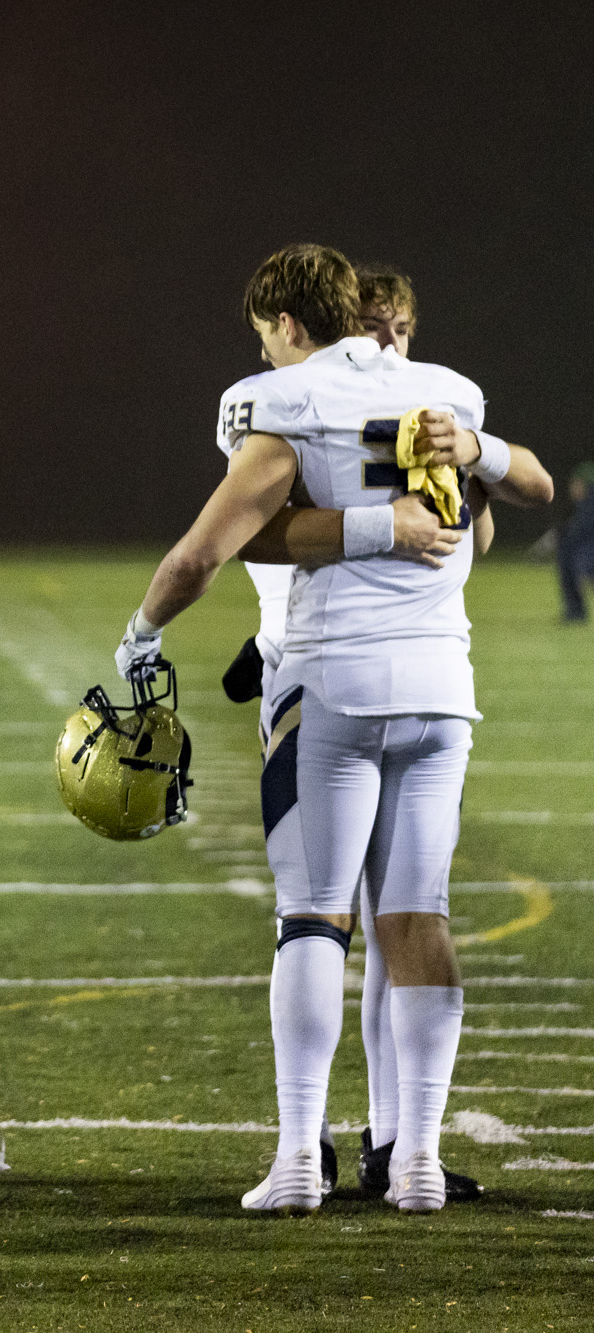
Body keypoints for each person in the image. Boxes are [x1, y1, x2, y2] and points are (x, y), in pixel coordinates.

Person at [115, 243, 552, 1214]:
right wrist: (453, 472)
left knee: (312, 914)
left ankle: (299, 1157)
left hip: (332, 683)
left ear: (285, 324)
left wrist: (142, 633)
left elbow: (211, 546)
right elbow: (509, 505)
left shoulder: (278, 398)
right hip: (441, 688)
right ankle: (415, 1161)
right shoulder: (445, 392)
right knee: (416, 917)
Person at [562, 462, 594, 623]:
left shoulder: (589, 505)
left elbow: (583, 529)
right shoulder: (583, 506)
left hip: (587, 548)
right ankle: (576, 612)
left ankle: (576, 612)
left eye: (576, 484)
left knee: (578, 567)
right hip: (583, 547)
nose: (573, 489)